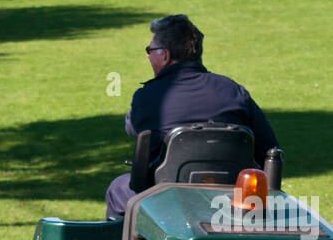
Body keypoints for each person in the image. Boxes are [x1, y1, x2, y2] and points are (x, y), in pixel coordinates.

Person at [105, 14, 280, 219]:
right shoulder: (233, 91)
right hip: (232, 197)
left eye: (150, 51)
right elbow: (270, 149)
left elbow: (132, 128)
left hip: (164, 195)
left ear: (165, 55)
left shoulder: (148, 96)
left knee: (117, 189)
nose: (148, 56)